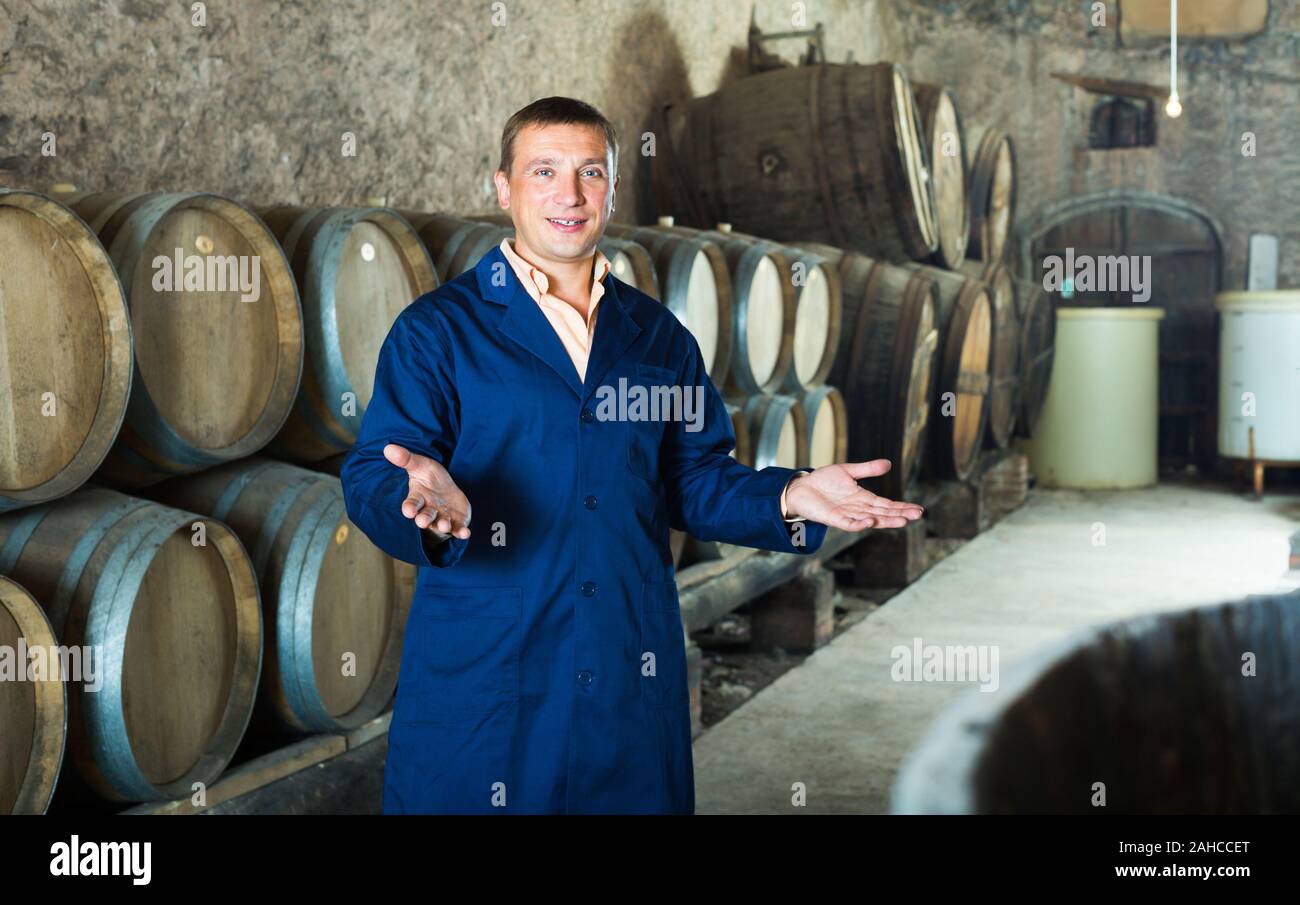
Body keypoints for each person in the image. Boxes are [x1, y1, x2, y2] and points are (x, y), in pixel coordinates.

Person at [339, 96, 924, 814]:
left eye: (590, 172)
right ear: (503, 188)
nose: (569, 194)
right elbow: (375, 468)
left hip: (624, 659)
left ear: (613, 190)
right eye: (544, 171)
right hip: (489, 668)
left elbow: (691, 478)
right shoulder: (440, 330)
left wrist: (787, 494)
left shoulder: (659, 338)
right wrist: (418, 501)